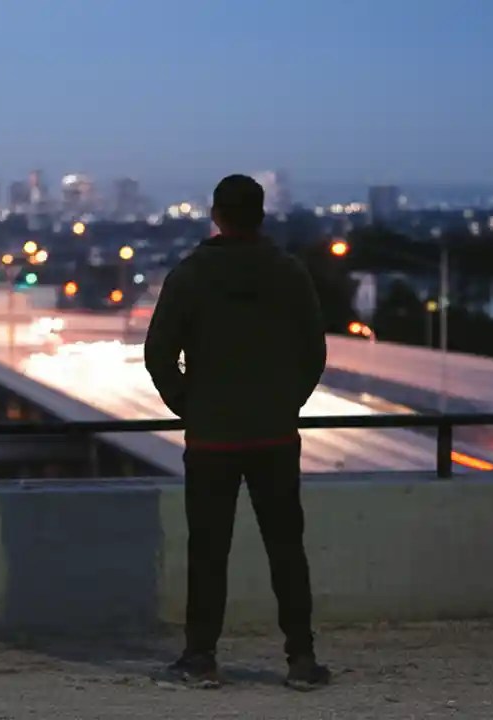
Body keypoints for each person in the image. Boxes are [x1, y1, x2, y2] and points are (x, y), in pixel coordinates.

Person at [145, 174, 331, 690]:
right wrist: (284, 405)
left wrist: (189, 406)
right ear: (262, 214)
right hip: (275, 437)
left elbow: (158, 353)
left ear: (216, 215)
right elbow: (313, 353)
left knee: (208, 550)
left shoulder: (191, 275)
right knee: (286, 548)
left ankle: (201, 658)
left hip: (211, 440)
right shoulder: (289, 273)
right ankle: (301, 660)